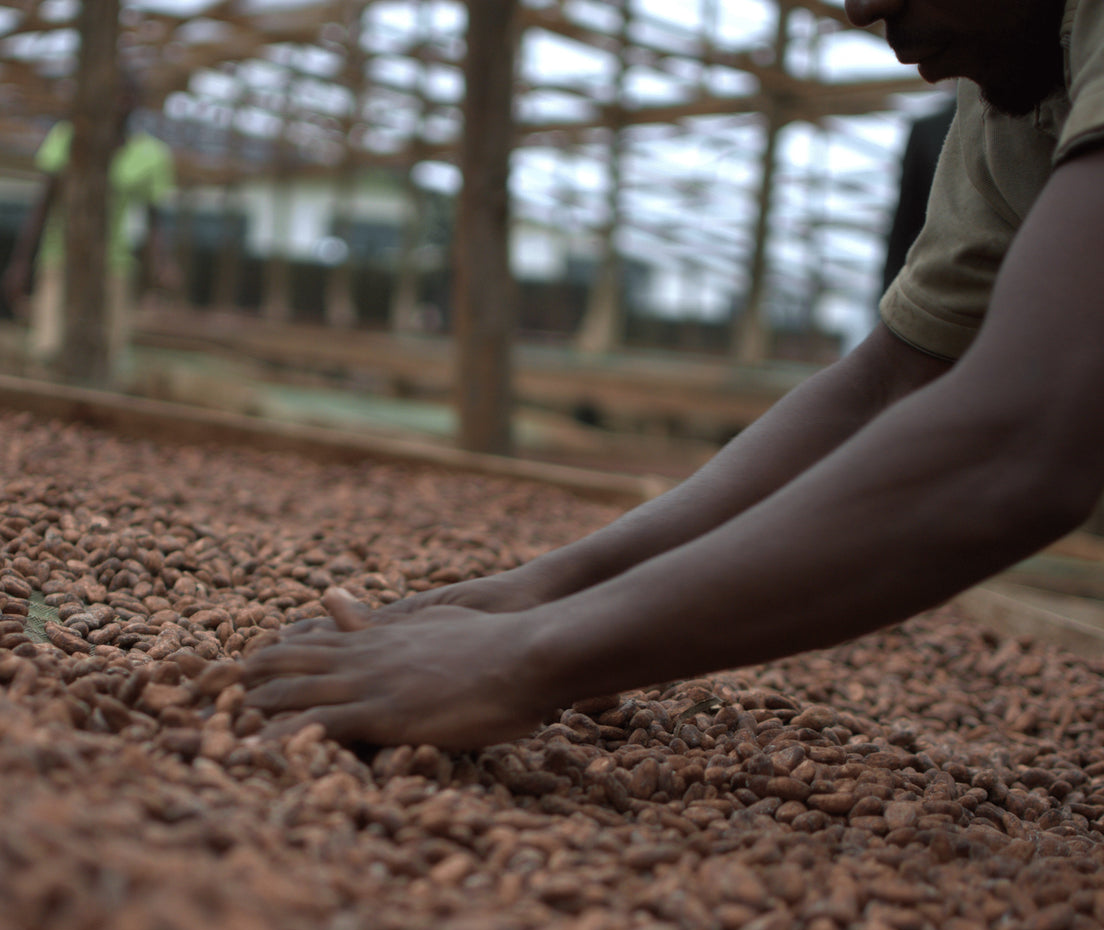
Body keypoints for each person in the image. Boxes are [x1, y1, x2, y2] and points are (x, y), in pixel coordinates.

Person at [243, 0, 1104, 751]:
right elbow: (892, 381)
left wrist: (527, 660)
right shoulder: (1012, 98)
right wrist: (539, 589)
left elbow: (1021, 438)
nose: (863, 6)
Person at [3, 75, 178, 381]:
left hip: (114, 263)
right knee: (48, 346)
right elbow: (44, 203)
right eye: (115, 94)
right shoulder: (67, 138)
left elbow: (155, 220)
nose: (121, 102)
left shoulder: (152, 155)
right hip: (61, 256)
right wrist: (21, 262)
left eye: (129, 95)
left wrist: (161, 265)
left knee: (108, 352)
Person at [881, 94, 957, 293]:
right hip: (937, 280)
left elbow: (903, 224)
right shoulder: (929, 131)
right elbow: (905, 220)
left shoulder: (929, 131)